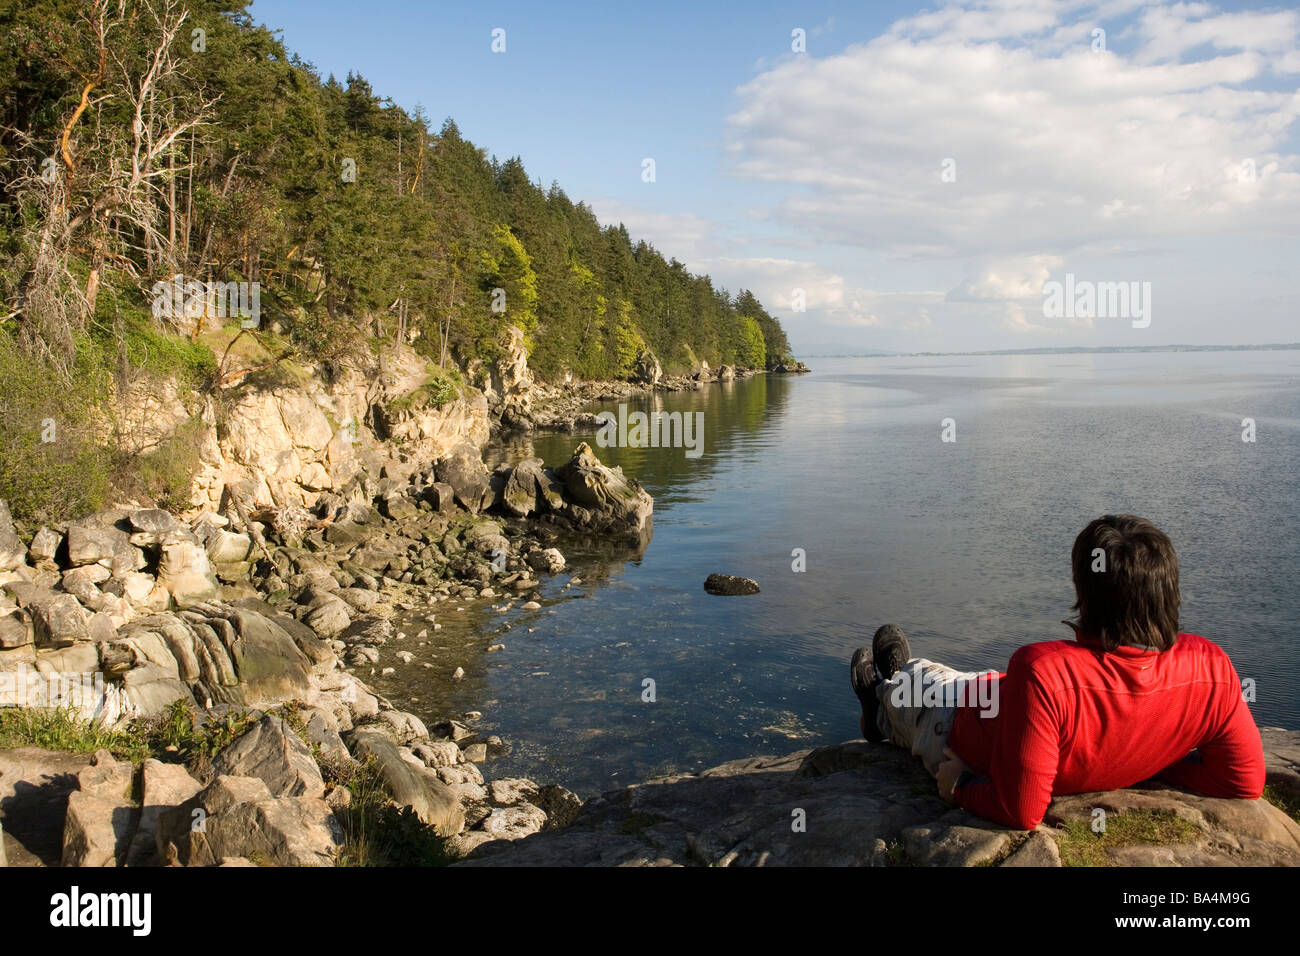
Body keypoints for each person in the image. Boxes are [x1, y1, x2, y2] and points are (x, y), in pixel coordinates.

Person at [849, 514, 1266, 830]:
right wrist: (1156, 758)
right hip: (1006, 700)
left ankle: (881, 705)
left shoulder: (1043, 670)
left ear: (1085, 595)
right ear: (1169, 592)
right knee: (965, 681)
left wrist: (959, 787)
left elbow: (1022, 810)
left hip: (956, 732)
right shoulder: (1211, 667)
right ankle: (894, 684)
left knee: (923, 683)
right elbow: (1243, 780)